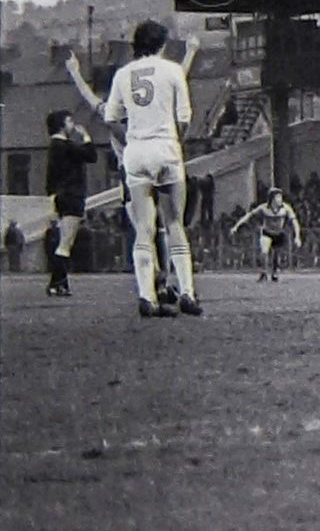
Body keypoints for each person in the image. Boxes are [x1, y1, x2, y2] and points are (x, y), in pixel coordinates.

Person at [98, 20, 203, 318]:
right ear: (162, 44)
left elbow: (110, 118)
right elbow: (183, 118)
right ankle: (186, 293)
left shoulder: (122, 75)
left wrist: (130, 139)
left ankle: (146, 296)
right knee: (174, 224)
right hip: (165, 149)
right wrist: (173, 141)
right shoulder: (172, 70)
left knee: (144, 228)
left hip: (136, 153)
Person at [41, 110, 99, 297]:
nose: (72, 124)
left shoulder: (54, 147)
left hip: (62, 196)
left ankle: (58, 283)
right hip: (73, 196)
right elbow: (91, 155)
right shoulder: (66, 146)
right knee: (66, 243)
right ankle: (58, 283)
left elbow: (50, 178)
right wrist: (87, 137)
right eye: (69, 121)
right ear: (61, 125)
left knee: (64, 241)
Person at [230, 187, 303, 282]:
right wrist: (236, 226)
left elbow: (295, 222)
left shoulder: (286, 208)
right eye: (277, 197)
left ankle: (275, 273)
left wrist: (297, 237)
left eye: (280, 197)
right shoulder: (263, 208)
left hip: (279, 234)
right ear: (272, 198)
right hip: (267, 233)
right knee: (264, 252)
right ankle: (264, 272)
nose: (280, 199)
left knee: (276, 255)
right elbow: (249, 215)